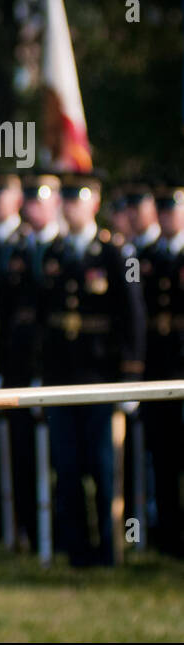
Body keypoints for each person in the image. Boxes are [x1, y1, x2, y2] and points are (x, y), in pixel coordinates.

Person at [35, 170, 145, 567]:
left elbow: (133, 317)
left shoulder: (117, 253)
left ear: (95, 202)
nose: (70, 205)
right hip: (63, 378)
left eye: (78, 197)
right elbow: (44, 320)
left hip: (101, 378)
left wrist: (131, 375)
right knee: (66, 469)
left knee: (103, 468)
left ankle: (109, 549)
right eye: (65, 197)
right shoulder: (55, 252)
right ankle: (76, 549)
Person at [0, 170, 40, 549]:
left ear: (17, 199)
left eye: (2, 193)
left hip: (21, 366)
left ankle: (30, 528)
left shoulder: (30, 246)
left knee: (25, 453)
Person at [142, 181, 184, 557]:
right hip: (159, 369)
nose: (168, 215)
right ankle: (168, 536)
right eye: (163, 208)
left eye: (174, 208)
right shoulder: (144, 258)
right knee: (163, 456)